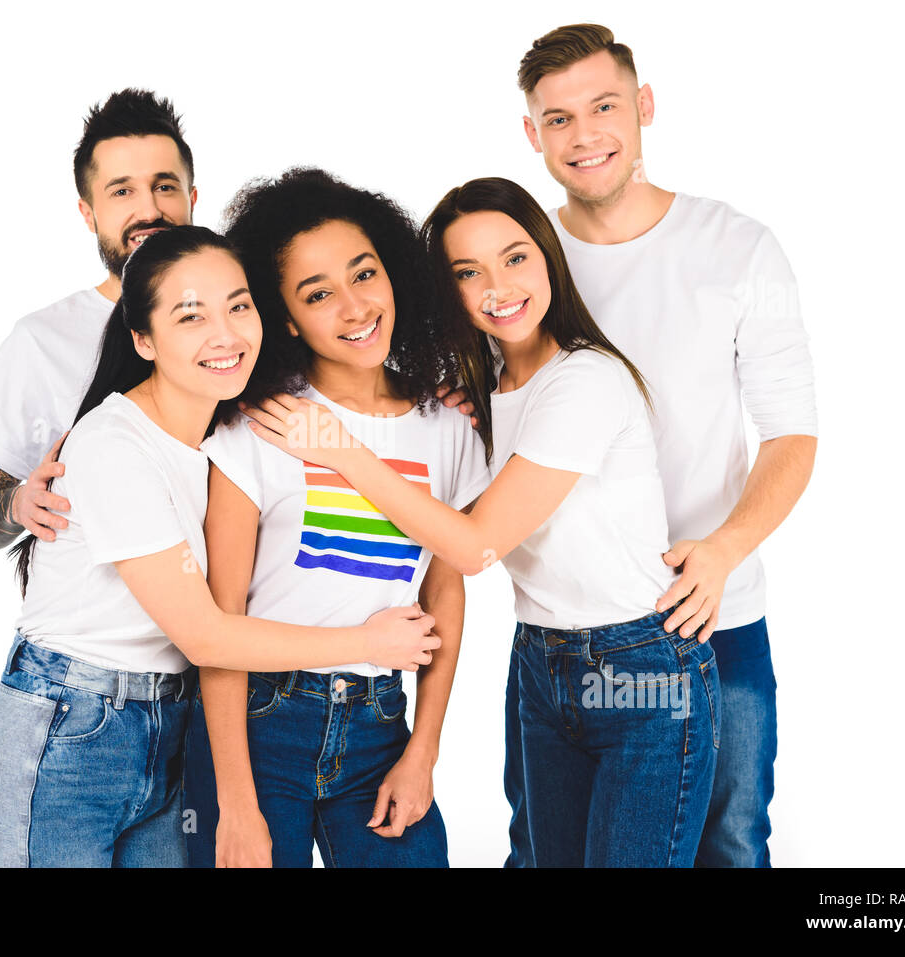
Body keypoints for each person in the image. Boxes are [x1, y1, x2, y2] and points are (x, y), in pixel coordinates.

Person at [243, 177, 719, 867]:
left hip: (640, 664)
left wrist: (340, 448)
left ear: (549, 256)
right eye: (468, 272)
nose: (498, 286)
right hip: (542, 661)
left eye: (516, 257)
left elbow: (472, 548)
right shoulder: (479, 391)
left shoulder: (585, 381)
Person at [0, 226, 440, 867]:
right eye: (191, 316)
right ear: (143, 339)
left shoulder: (226, 433)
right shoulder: (114, 444)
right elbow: (206, 637)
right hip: (69, 731)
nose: (226, 334)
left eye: (239, 306)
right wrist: (370, 643)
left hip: (169, 732)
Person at [514, 23, 818, 866]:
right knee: (546, 850)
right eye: (559, 118)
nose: (585, 135)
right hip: (567, 632)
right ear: (532, 135)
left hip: (714, 613)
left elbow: (792, 432)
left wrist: (722, 553)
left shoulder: (738, 248)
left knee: (728, 841)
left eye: (604, 106)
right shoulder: (519, 260)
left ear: (643, 107)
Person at [184, 169, 491, 868]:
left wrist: (424, 751)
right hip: (263, 729)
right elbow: (219, 622)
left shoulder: (445, 426)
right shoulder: (255, 425)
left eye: (365, 274)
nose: (355, 308)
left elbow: (445, 589)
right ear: (285, 317)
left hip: (379, 728)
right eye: (318, 294)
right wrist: (234, 803)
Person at [0, 89, 198, 551]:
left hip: (221, 623)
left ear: (192, 197)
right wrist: (19, 504)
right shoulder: (41, 342)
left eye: (165, 186)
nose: (149, 211)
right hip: (75, 622)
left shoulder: (243, 329)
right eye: (122, 191)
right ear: (88, 213)